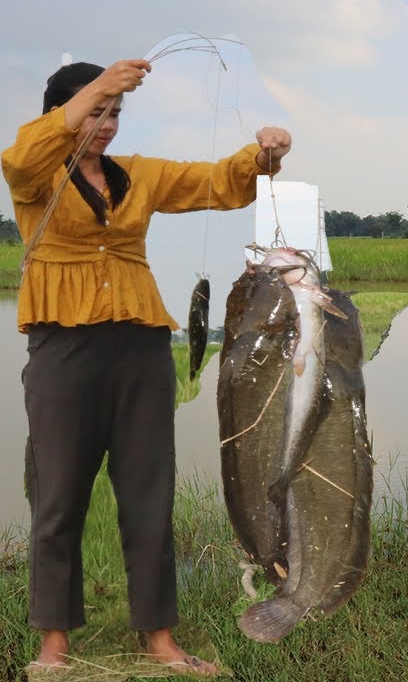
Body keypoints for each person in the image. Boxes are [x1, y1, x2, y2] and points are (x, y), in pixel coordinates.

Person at [2, 59, 293, 675]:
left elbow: (217, 182)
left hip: (141, 349)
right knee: (57, 498)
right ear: (62, 112)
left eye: (114, 114)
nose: (105, 125)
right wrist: (102, 83)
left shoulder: (137, 176)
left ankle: (157, 639)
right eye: (95, 111)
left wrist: (263, 153)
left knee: (148, 494)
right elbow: (20, 157)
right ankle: (54, 642)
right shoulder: (35, 177)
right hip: (63, 349)